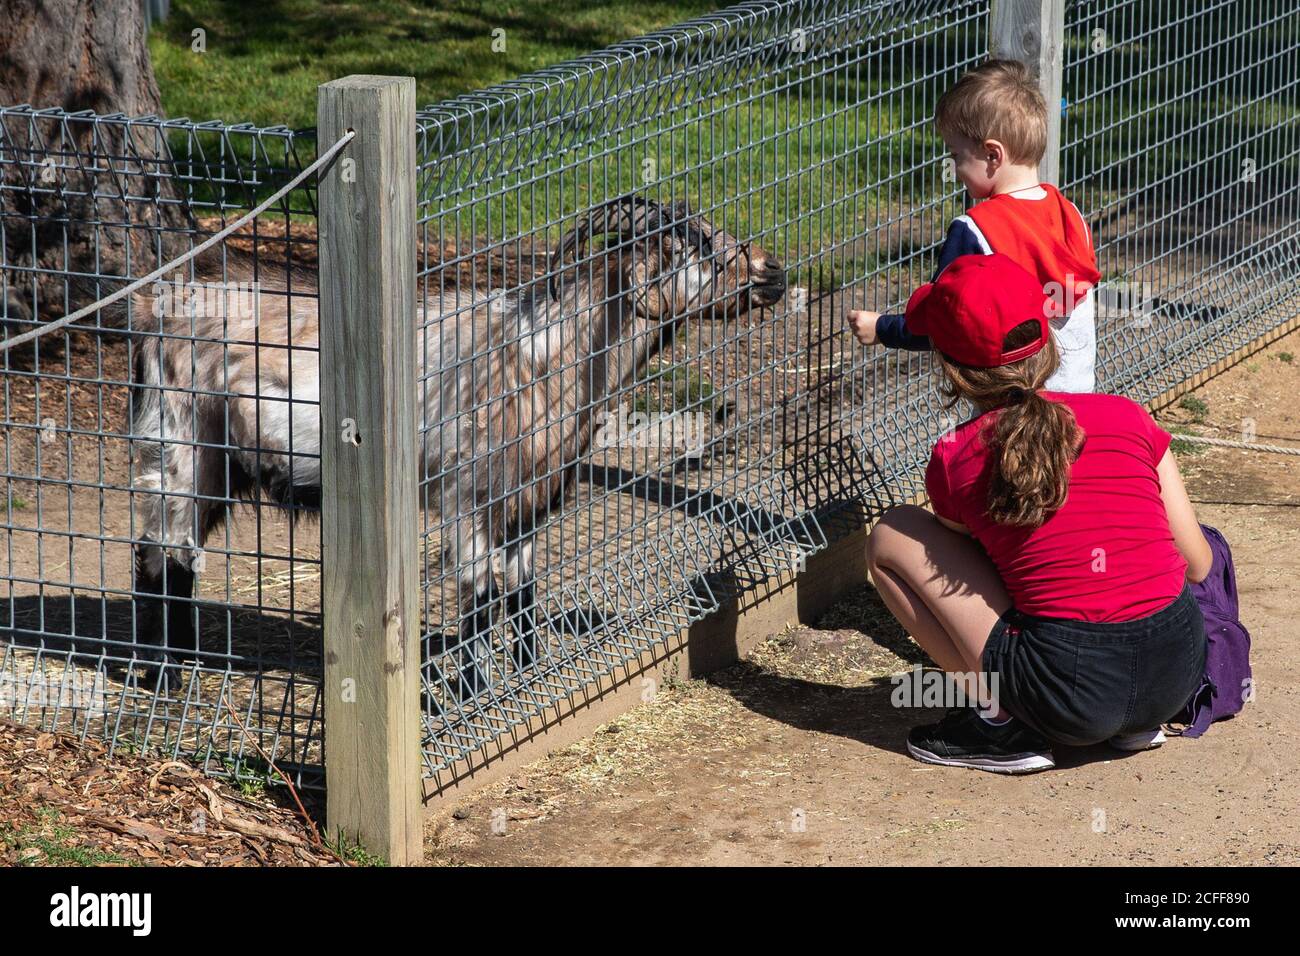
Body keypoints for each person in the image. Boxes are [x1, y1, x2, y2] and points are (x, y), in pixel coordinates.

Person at [865, 253, 1211, 773]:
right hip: (1178, 669)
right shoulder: (1128, 415)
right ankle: (1136, 723)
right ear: (1048, 337)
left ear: (951, 369)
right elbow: (1198, 564)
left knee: (892, 534)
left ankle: (1001, 721)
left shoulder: (956, 456)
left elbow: (975, 563)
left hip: (1069, 697)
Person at [848, 59, 1101, 392]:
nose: (954, 168)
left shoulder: (975, 230)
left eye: (956, 155)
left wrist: (882, 328)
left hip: (1014, 410)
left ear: (993, 155)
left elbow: (944, 322)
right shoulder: (1072, 215)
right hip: (1078, 398)